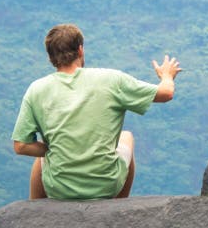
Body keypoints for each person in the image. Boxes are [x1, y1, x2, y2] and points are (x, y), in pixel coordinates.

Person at [12, 23, 182, 200]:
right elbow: (166, 93)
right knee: (126, 137)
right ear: (80, 50)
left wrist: (53, 149)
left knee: (43, 158)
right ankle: (117, 205)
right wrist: (167, 76)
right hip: (106, 186)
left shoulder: (36, 89)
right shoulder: (111, 79)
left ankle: (34, 209)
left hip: (59, 189)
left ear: (50, 57)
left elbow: (21, 146)